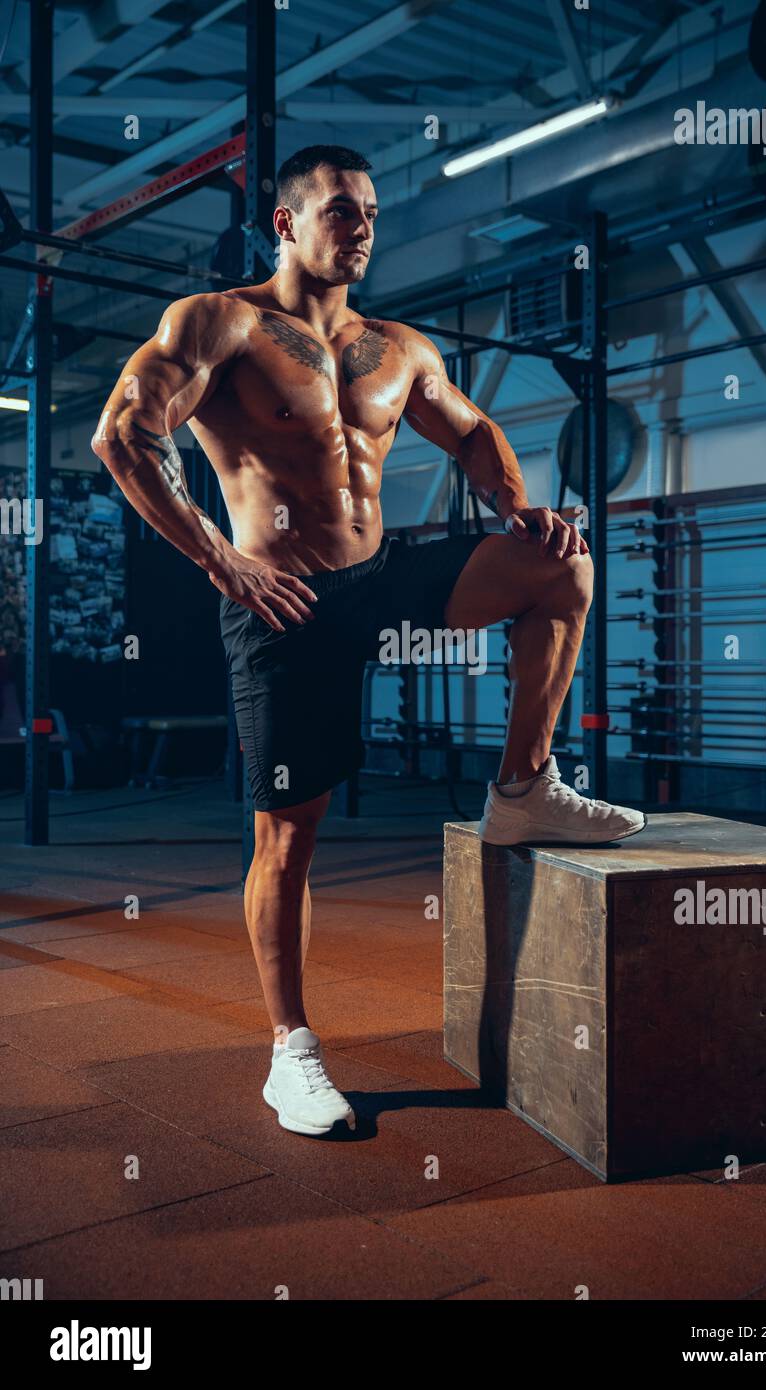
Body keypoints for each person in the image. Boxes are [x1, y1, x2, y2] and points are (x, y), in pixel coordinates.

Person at [92, 145, 645, 1138]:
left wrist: (516, 508)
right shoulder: (221, 322)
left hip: (379, 576)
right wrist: (224, 562)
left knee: (563, 567)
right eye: (343, 210)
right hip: (281, 597)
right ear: (286, 222)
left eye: (374, 214)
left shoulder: (400, 348)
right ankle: (291, 1050)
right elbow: (125, 434)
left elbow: (472, 431)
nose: (363, 228)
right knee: (289, 836)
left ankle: (522, 789)